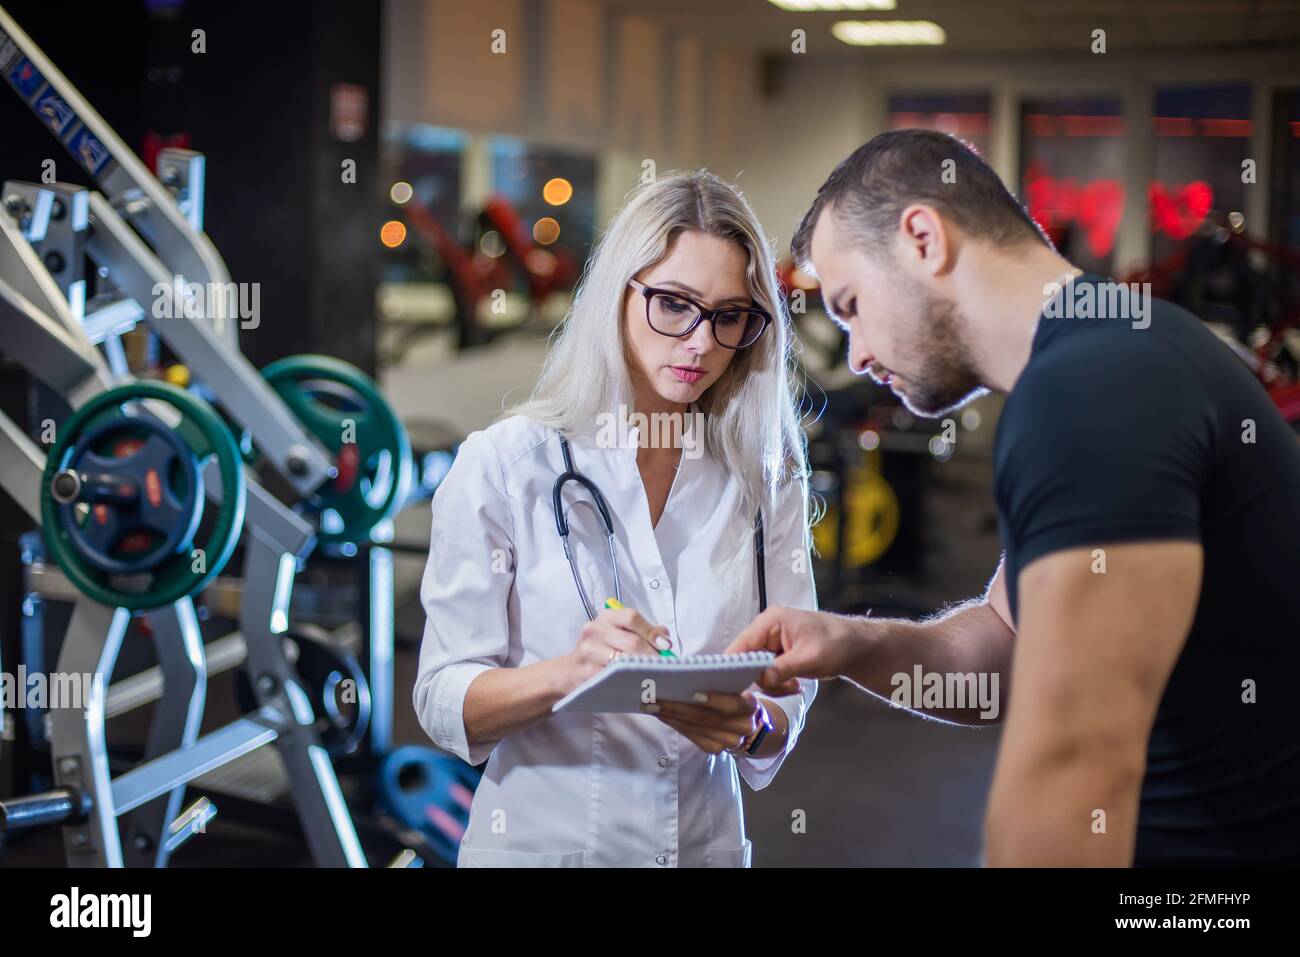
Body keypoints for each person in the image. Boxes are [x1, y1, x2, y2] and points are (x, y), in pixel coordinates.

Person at [728, 129, 1300, 866]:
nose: (859, 353)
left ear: (923, 238)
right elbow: (1008, 640)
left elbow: (1073, 764)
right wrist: (850, 645)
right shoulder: (1115, 348)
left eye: (853, 306)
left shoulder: (1089, 389)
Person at [414, 170, 817, 867]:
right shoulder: (507, 465)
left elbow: (793, 682)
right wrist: (569, 673)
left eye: (729, 315)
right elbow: (443, 697)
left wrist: (755, 726)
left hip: (702, 845)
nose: (699, 342)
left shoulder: (764, 476)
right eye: (673, 304)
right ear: (618, 295)